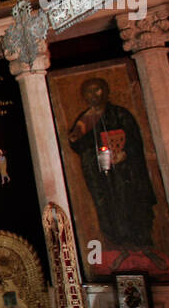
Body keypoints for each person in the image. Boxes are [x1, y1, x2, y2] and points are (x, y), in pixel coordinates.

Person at [67, 77, 156, 249]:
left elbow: (134, 139)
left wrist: (124, 153)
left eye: (97, 90)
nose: (93, 95)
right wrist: (77, 136)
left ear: (106, 91)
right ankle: (117, 242)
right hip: (97, 170)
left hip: (124, 170)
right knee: (105, 204)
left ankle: (139, 242)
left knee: (128, 200)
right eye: (88, 91)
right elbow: (77, 143)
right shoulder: (84, 118)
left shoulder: (120, 114)